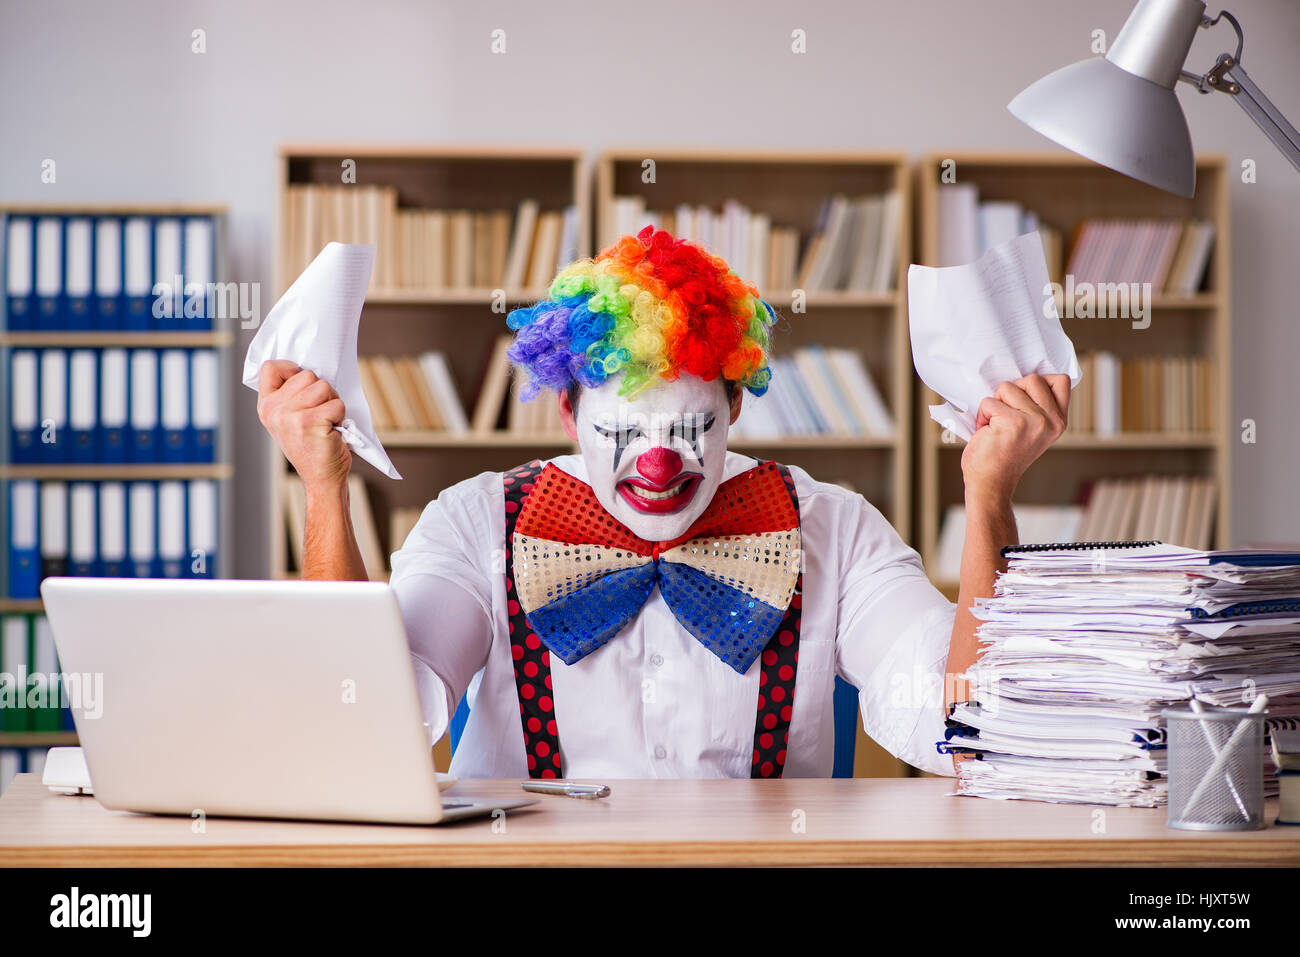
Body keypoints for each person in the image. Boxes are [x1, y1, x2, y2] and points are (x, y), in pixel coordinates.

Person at [256, 226, 1069, 779]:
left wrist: (988, 493)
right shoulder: (478, 524)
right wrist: (323, 487)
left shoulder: (835, 527)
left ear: (737, 409)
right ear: (569, 414)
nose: (657, 462)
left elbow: (972, 731)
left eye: (691, 425)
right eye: (621, 428)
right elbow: (357, 727)